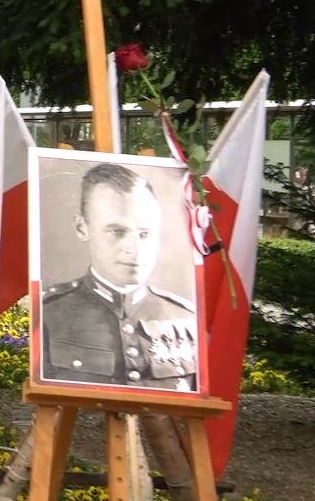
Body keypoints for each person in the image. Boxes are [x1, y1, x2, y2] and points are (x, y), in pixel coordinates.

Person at [39, 162, 198, 390]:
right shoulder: (50, 312)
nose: (134, 248)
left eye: (145, 234)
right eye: (117, 232)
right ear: (82, 228)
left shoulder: (183, 316)